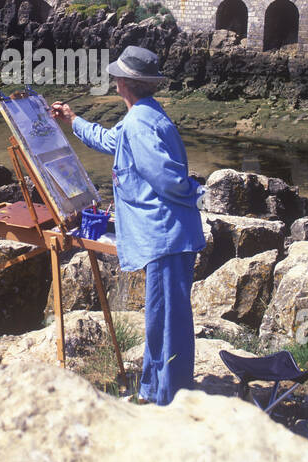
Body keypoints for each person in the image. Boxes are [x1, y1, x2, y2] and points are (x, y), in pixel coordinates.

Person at [50, 46, 204, 406]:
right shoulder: (144, 114)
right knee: (162, 319)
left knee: (166, 322)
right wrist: (73, 120)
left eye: (117, 77)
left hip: (166, 236)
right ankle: (156, 390)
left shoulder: (138, 122)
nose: (114, 81)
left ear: (124, 83)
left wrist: (198, 194)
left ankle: (168, 399)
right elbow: (111, 141)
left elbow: (166, 177)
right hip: (168, 235)